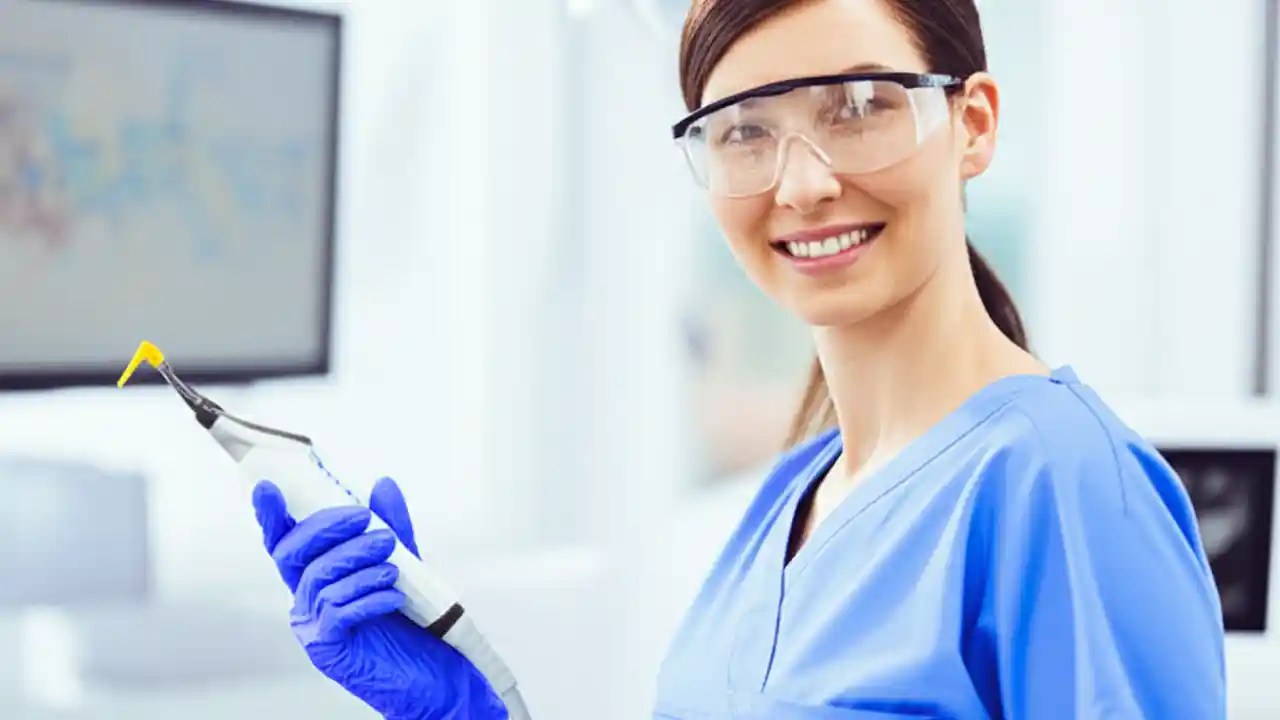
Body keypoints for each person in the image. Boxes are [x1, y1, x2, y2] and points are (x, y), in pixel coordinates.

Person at [249, 0, 1228, 717]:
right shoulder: (794, 495)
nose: (799, 184)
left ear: (969, 123)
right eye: (744, 131)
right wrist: (466, 710)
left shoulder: (1059, 488)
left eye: (856, 107)